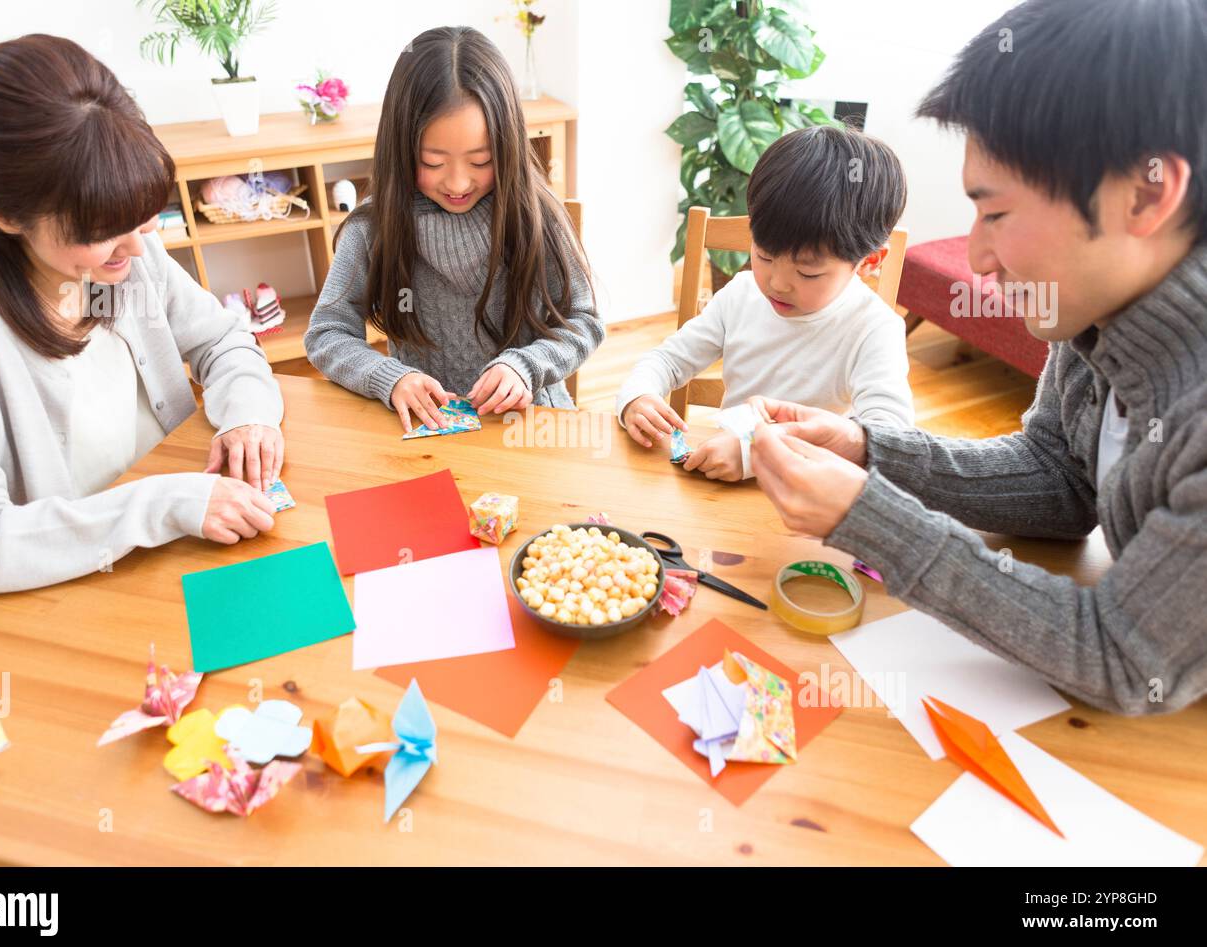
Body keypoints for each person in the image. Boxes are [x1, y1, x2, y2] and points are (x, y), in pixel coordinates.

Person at [748, 0, 1207, 714]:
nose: (977, 256)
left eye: (996, 214)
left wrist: (876, 520)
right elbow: (1060, 481)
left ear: (1146, 196)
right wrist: (870, 452)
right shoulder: (1091, 313)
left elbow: (1127, 655)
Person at [0, 34, 285, 634]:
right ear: (4, 215)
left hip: (172, 561)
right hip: (51, 611)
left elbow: (221, 341)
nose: (138, 246)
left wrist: (248, 416)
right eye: (103, 229)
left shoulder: (120, 260)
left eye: (143, 217)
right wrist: (164, 505)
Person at [304, 25, 604, 433]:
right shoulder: (375, 227)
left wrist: (526, 366)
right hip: (426, 429)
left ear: (508, 147)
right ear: (400, 147)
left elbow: (583, 322)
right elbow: (326, 333)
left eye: (481, 161)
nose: (459, 183)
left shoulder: (536, 216)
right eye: (432, 162)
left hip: (532, 426)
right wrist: (389, 378)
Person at [618, 126, 913, 481]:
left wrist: (753, 454)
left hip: (810, 493)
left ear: (868, 262)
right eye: (764, 255)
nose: (777, 283)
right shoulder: (742, 294)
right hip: (720, 486)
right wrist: (638, 397)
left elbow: (889, 438)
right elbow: (665, 360)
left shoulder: (874, 328)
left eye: (808, 273)